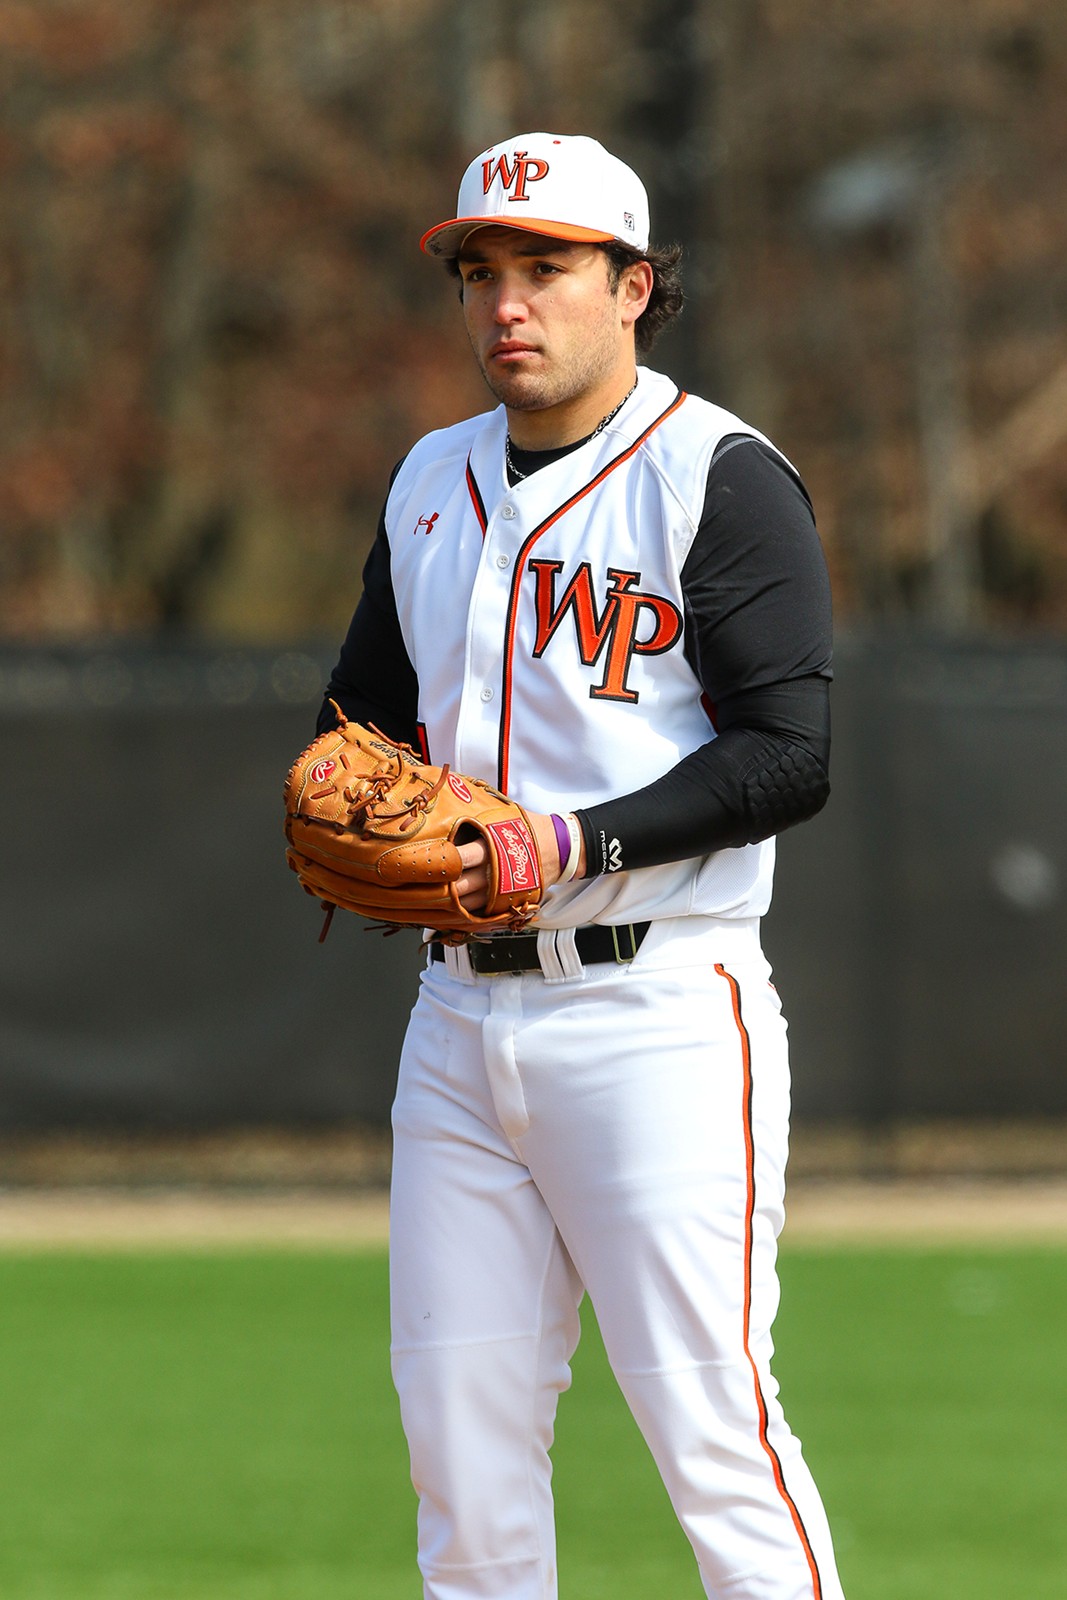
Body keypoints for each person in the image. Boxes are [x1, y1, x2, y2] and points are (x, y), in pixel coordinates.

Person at [320, 132, 846, 1600]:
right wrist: (356, 801)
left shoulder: (713, 476)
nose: (508, 301)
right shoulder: (429, 479)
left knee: (714, 1439)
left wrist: (570, 840)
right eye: (482, 271)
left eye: (546, 268)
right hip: (459, 1026)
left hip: (658, 1012)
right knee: (463, 1465)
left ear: (633, 287)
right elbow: (357, 722)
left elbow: (788, 755)